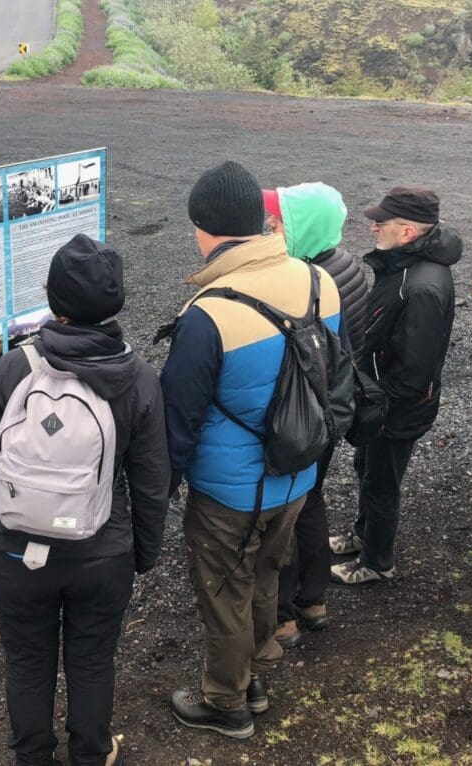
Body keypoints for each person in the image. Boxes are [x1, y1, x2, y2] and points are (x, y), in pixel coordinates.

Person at [0, 234, 169, 766]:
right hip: (102, 552)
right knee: (93, 661)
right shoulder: (139, 380)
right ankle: (91, 755)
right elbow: (150, 481)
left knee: (26, 661)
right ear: (115, 303)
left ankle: (33, 757)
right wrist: (143, 553)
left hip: (16, 549)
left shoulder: (14, 368)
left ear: (53, 301)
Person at [161, 161, 344, 738]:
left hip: (228, 489)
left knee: (224, 592)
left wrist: (156, 493)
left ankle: (226, 703)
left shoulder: (209, 314)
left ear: (204, 229)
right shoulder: (321, 282)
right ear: (262, 222)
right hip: (297, 472)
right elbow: (333, 370)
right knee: (267, 574)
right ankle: (256, 676)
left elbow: (178, 421)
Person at [329, 187, 461, 584]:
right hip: (383, 399)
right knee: (367, 468)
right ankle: (363, 534)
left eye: (381, 222)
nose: (373, 227)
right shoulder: (404, 267)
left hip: (395, 408)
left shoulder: (421, 286)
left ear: (407, 232)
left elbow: (415, 369)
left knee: (383, 481)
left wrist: (378, 402)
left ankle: (376, 561)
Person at [260, 182, 368, 648]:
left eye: (281, 221)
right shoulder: (349, 265)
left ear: (303, 227)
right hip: (334, 408)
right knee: (312, 500)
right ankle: (313, 598)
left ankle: (282, 614)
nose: (272, 228)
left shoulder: (310, 280)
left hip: (307, 412)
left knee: (286, 508)